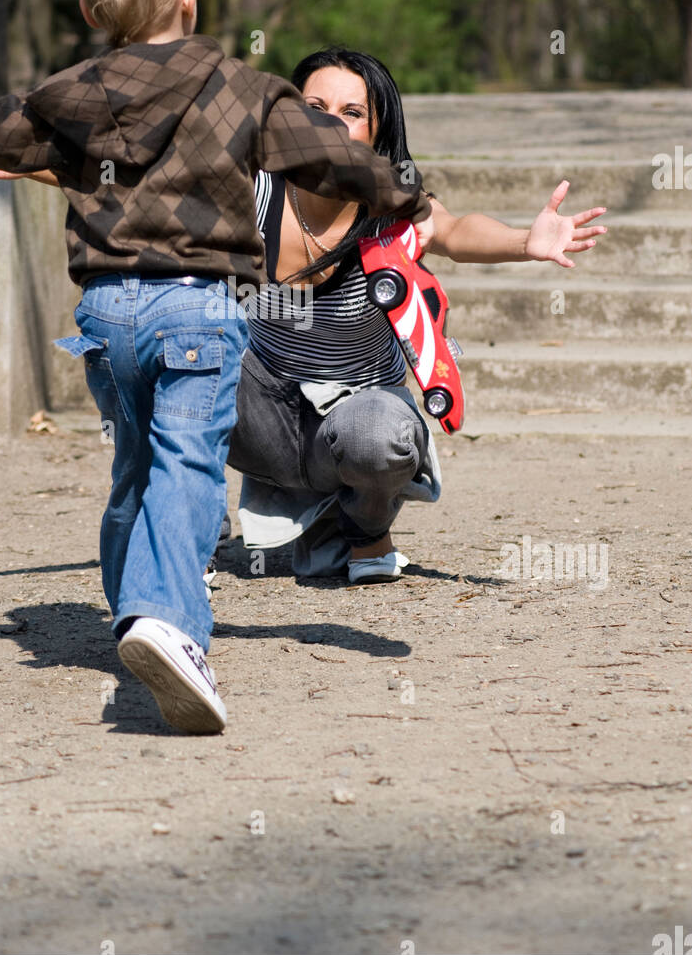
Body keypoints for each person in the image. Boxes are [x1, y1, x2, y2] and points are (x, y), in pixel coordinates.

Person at [0, 0, 434, 736]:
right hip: (195, 311)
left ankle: (134, 614)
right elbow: (339, 160)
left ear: (92, 11)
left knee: (134, 468)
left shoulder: (68, 94)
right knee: (186, 471)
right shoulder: (244, 91)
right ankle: (170, 624)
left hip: (105, 319)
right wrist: (406, 195)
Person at [225, 47, 608, 583]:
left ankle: (363, 529)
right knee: (146, 338)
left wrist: (527, 241)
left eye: (352, 112)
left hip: (356, 418)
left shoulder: (391, 207)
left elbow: (452, 231)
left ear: (377, 134)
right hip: (262, 414)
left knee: (378, 434)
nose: (329, 122)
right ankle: (185, 516)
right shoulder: (251, 189)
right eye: (313, 104)